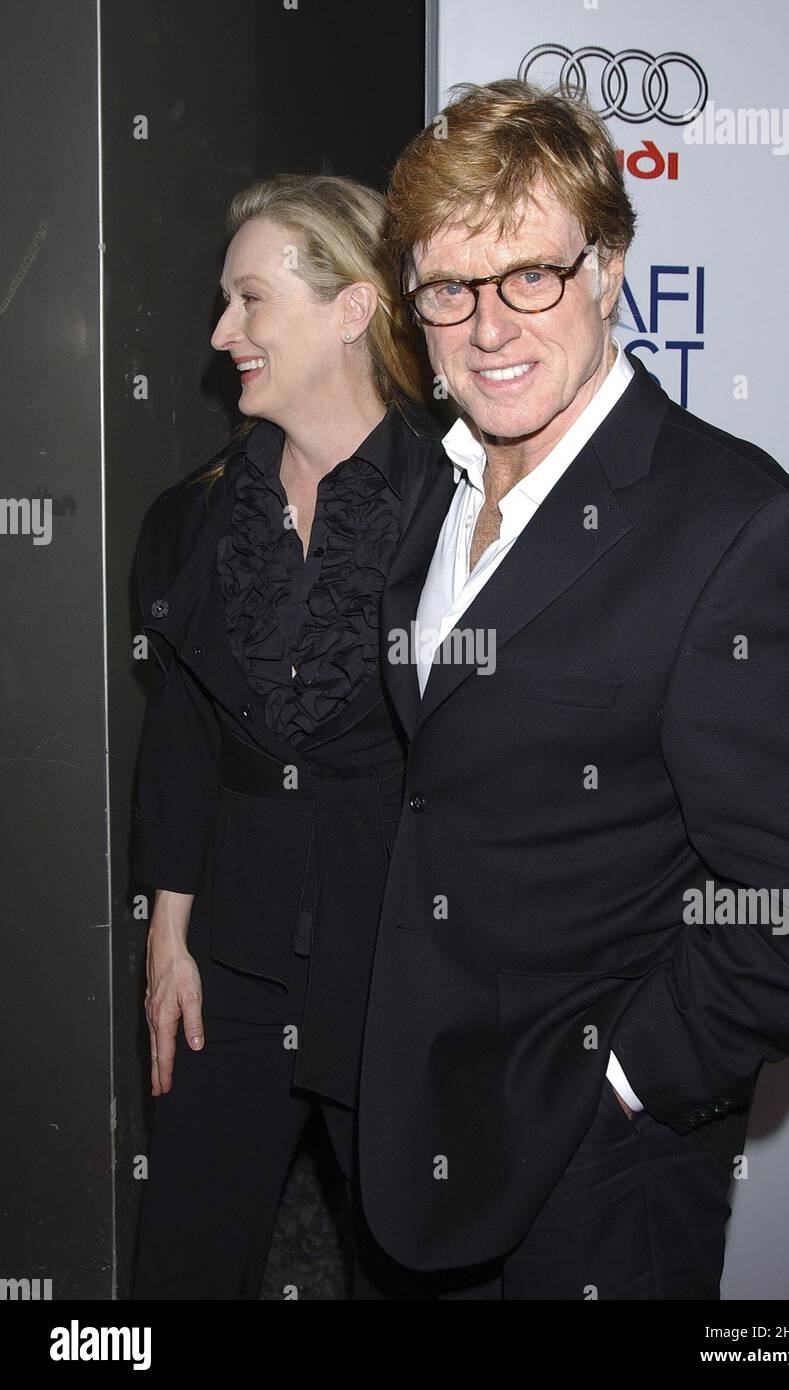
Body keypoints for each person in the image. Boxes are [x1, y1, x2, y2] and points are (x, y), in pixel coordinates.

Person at [355, 79, 789, 1298]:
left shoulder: (737, 529)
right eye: (451, 289)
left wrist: (626, 1079)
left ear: (609, 266)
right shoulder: (433, 486)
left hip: (594, 1173)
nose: (490, 328)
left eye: (530, 274)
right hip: (421, 1107)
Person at [130, 173, 443, 1299]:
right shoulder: (192, 521)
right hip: (237, 955)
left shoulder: (465, 511)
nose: (223, 335)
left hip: (401, 953)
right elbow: (183, 738)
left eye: (250, 300)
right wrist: (169, 939)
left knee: (417, 1261)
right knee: (182, 1264)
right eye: (226, 302)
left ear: (353, 308)